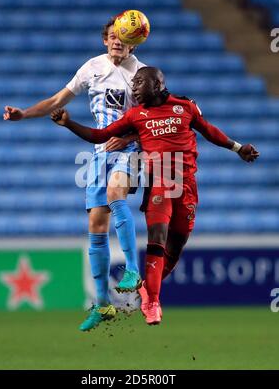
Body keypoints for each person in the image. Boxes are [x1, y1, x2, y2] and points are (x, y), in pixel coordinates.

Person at [50, 66, 260, 326]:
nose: (134, 87)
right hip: (159, 182)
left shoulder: (185, 107)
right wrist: (68, 123)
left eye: (139, 82)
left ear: (158, 85)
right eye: (134, 82)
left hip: (186, 186)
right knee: (157, 239)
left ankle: (148, 291)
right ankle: (152, 302)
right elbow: (101, 135)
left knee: (175, 247)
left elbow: (209, 131)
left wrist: (238, 148)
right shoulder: (136, 115)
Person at [3, 17, 145, 332]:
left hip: (129, 151)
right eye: (111, 36)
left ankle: (133, 270)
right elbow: (56, 100)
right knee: (96, 224)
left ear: (133, 41)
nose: (116, 41)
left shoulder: (141, 74)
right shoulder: (91, 68)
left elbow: (152, 119)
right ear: (105, 40)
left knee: (115, 193)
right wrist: (23, 114)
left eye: (122, 36)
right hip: (99, 154)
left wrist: (130, 138)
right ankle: (103, 305)